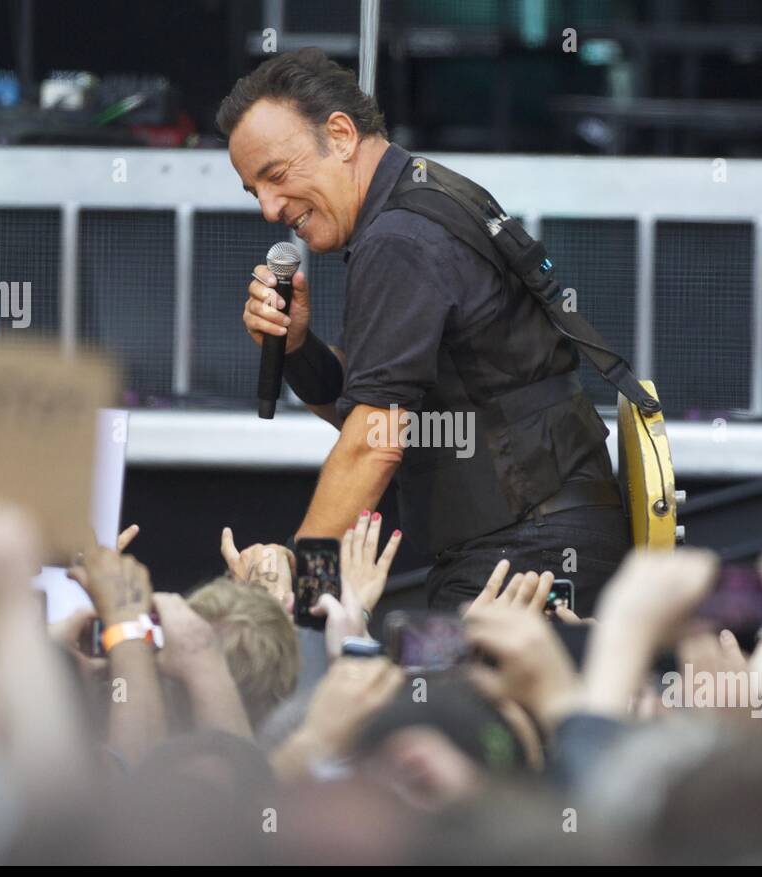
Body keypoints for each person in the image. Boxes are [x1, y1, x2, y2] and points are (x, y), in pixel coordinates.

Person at [218, 48, 629, 615]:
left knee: (440, 704)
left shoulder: (400, 237)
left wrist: (301, 580)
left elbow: (373, 443)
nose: (267, 207)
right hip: (535, 542)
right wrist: (294, 349)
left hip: (526, 553)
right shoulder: (420, 197)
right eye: (252, 191)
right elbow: (380, 413)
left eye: (276, 175)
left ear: (340, 135)